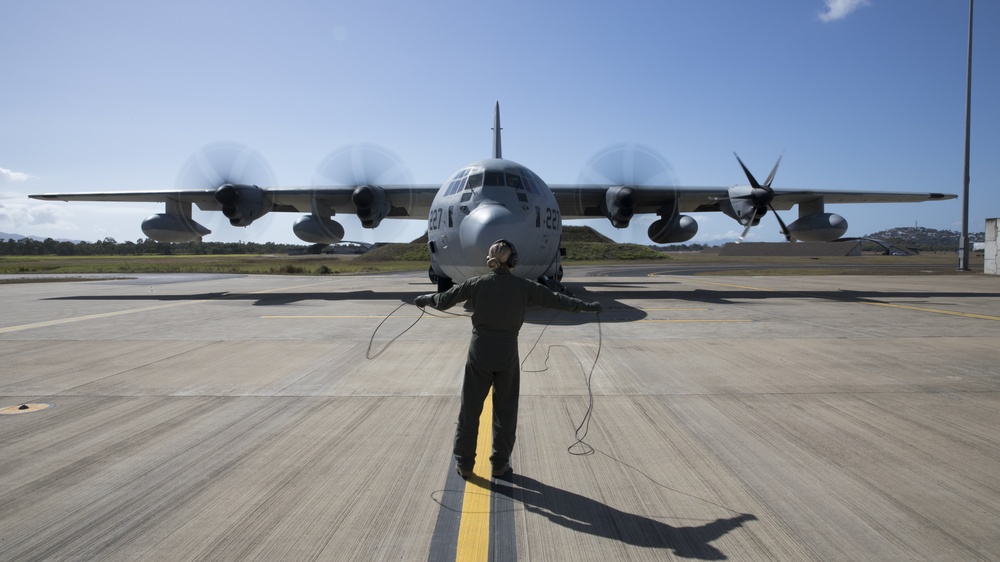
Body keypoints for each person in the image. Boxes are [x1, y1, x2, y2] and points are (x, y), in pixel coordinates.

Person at [414, 239, 602, 479]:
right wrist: (588, 306)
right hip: (506, 356)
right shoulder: (523, 286)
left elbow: (443, 301)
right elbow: (559, 300)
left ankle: (465, 464)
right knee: (506, 413)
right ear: (513, 260)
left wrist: (424, 299)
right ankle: (499, 464)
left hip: (479, 354)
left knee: (469, 411)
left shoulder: (475, 284)